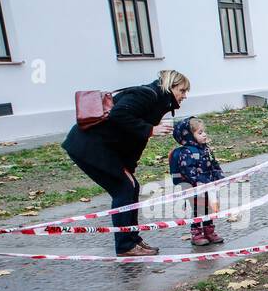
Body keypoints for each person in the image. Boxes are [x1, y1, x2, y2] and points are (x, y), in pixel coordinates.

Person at [61, 70, 190, 256]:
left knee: (131, 186)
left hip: (102, 148)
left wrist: (129, 167)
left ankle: (132, 239)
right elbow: (118, 114)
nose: (184, 95)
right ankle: (125, 245)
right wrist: (151, 129)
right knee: (124, 189)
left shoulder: (157, 101)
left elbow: (134, 139)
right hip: (88, 147)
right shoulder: (146, 94)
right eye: (182, 90)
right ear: (170, 86)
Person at [169, 116, 225, 246]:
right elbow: (187, 169)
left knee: (209, 208)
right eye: (200, 133)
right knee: (198, 209)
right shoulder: (186, 152)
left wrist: (220, 177)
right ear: (189, 135)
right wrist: (197, 182)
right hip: (195, 187)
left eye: (204, 131)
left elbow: (214, 164)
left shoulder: (206, 149)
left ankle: (209, 231)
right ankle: (196, 234)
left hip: (208, 185)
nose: (204, 134)